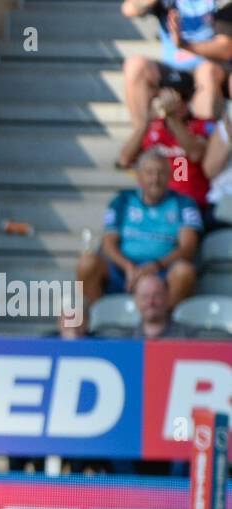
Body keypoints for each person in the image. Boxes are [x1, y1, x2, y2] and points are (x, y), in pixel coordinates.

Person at [76, 147, 200, 310]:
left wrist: (156, 266)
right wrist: (129, 268)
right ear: (139, 177)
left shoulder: (184, 203)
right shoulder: (122, 200)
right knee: (87, 263)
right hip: (122, 270)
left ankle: (164, 328)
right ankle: (98, 322)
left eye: (161, 173)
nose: (155, 178)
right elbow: (108, 243)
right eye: (149, 173)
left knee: (184, 272)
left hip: (163, 271)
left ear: (169, 176)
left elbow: (188, 247)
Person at [121, 0, 232, 127]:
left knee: (207, 71)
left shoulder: (220, 3)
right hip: (172, 68)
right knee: (135, 65)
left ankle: (203, 139)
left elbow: (226, 49)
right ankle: (143, 137)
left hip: (212, 67)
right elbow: (129, 9)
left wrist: (185, 46)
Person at [118, 72, 213, 211]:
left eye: (183, 96)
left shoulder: (204, 125)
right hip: (154, 204)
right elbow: (124, 160)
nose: (177, 102)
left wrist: (172, 118)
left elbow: (195, 154)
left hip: (190, 205)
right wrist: (145, 122)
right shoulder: (152, 127)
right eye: (170, 96)